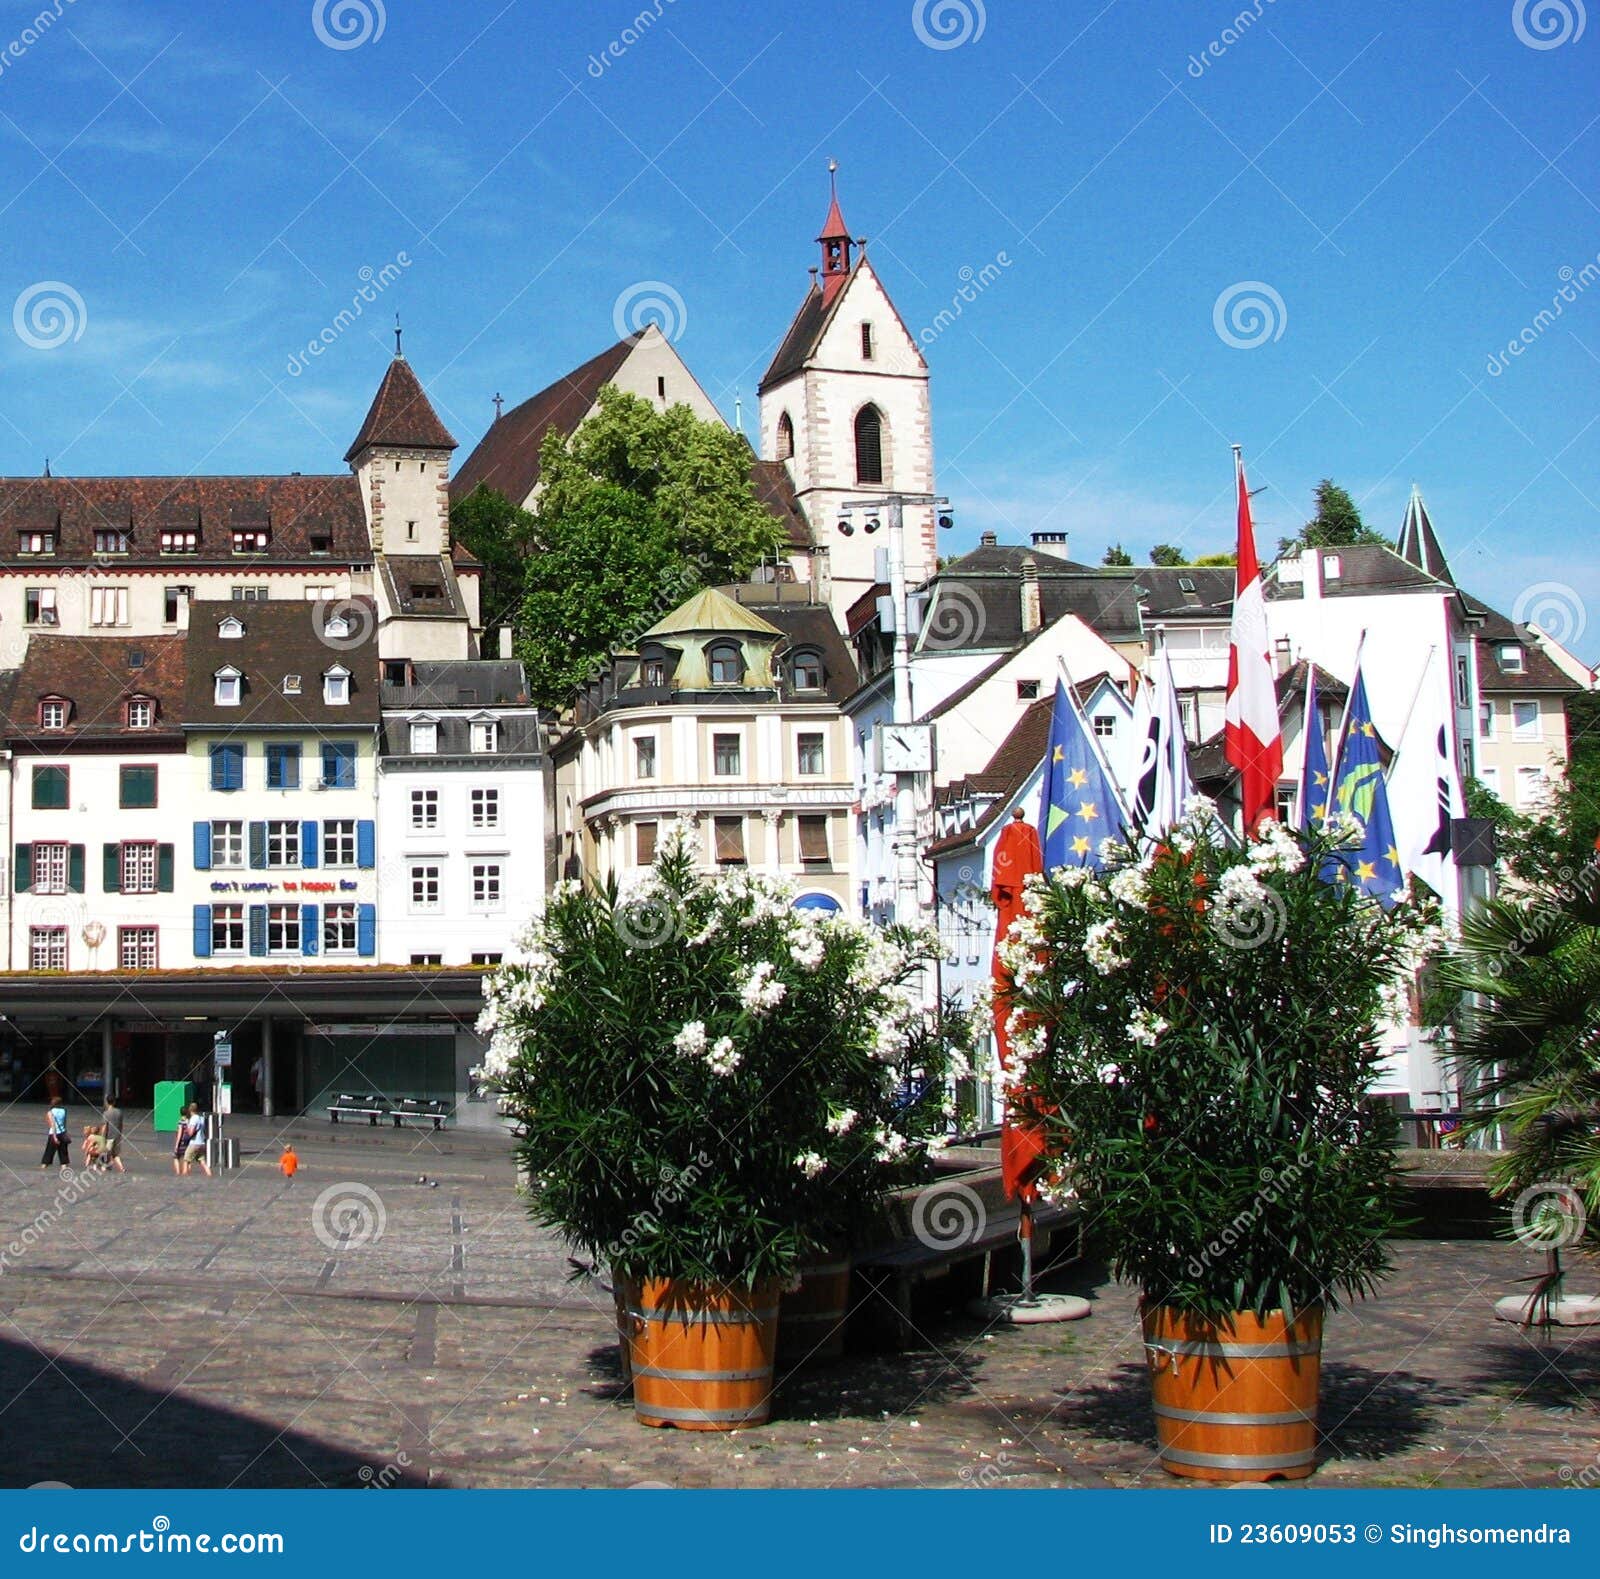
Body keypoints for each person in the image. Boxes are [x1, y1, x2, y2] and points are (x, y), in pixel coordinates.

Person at [182, 1105, 212, 1178]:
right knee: (202, 1161)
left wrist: (186, 1128)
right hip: (202, 1143)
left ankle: (184, 1176)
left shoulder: (194, 1118)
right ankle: (210, 1174)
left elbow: (191, 1133)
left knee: (186, 1160)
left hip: (194, 1143)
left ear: (190, 1110)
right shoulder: (201, 1118)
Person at [40, 1099, 70, 1169]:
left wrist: (55, 1137)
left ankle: (44, 1166)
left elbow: (53, 1125)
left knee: (49, 1152)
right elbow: (64, 1123)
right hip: (62, 1133)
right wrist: (65, 1132)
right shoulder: (64, 1111)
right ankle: (64, 1168)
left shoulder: (50, 1112)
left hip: (53, 1134)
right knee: (63, 1153)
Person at [101, 1096, 126, 1173]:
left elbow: (105, 1126)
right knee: (115, 1154)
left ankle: (104, 1168)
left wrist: (102, 1136)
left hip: (109, 1136)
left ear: (107, 1102)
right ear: (114, 1102)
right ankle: (122, 1168)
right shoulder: (119, 1112)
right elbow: (121, 1124)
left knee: (106, 1153)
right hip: (117, 1135)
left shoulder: (106, 1113)